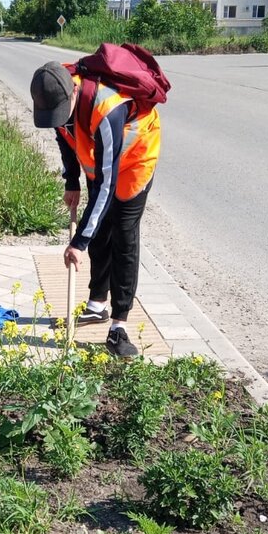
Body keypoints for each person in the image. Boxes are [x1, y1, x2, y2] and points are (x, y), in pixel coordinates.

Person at [30, 61, 162, 358]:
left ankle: (118, 326)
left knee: (123, 237)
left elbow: (106, 184)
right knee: (98, 229)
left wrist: (78, 243)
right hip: (100, 158)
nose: (59, 119)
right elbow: (65, 137)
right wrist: (71, 181)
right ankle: (97, 305)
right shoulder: (57, 95)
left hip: (134, 157)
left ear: (74, 93)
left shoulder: (107, 109)